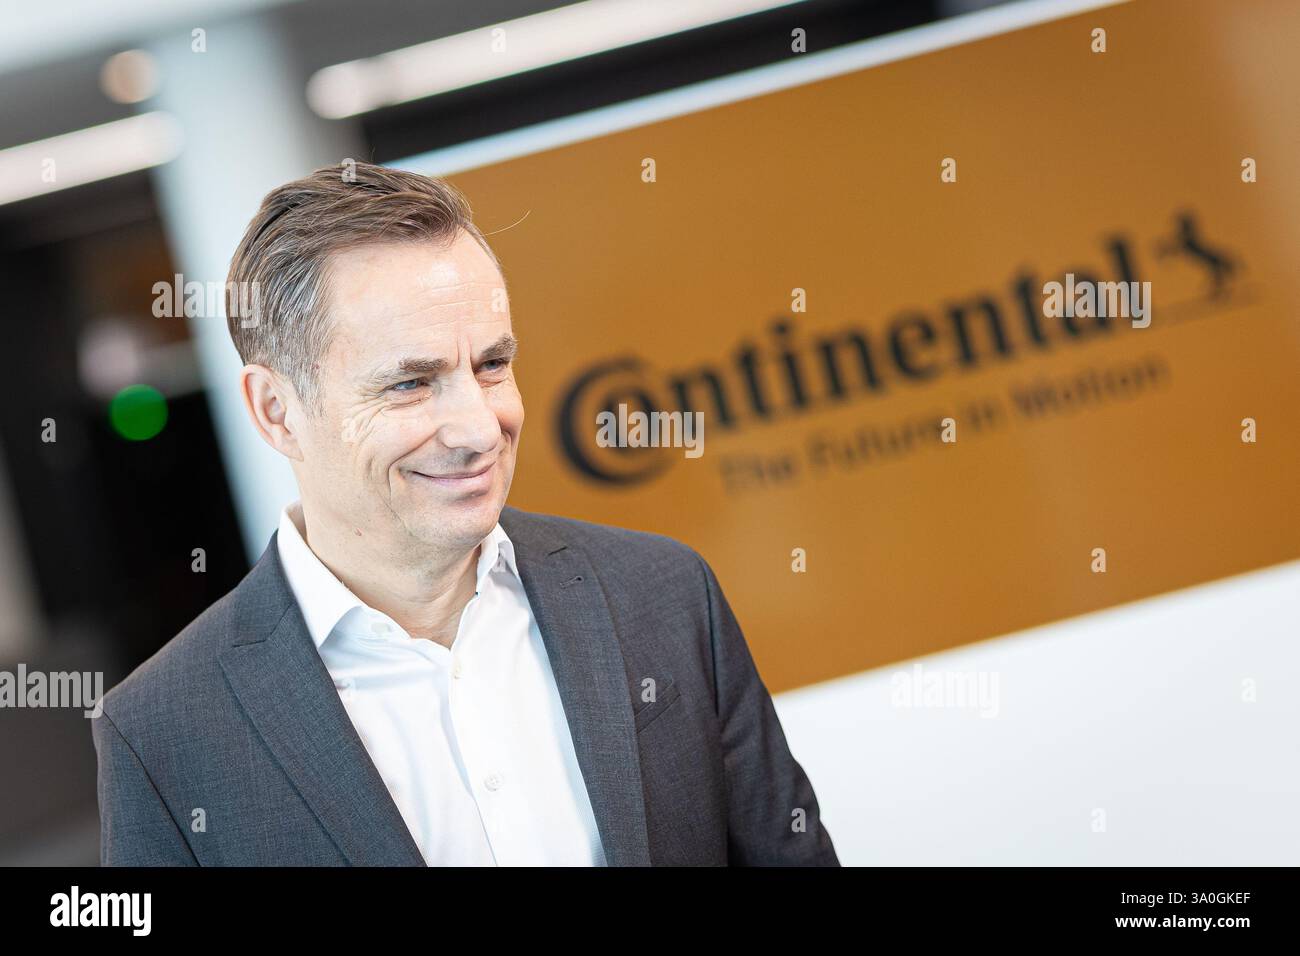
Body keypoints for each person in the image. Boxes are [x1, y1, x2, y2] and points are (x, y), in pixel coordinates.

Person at [92, 161, 838, 866]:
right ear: (277, 410)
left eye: (490, 365)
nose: (480, 428)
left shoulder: (665, 598)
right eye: (412, 383)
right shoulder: (163, 734)